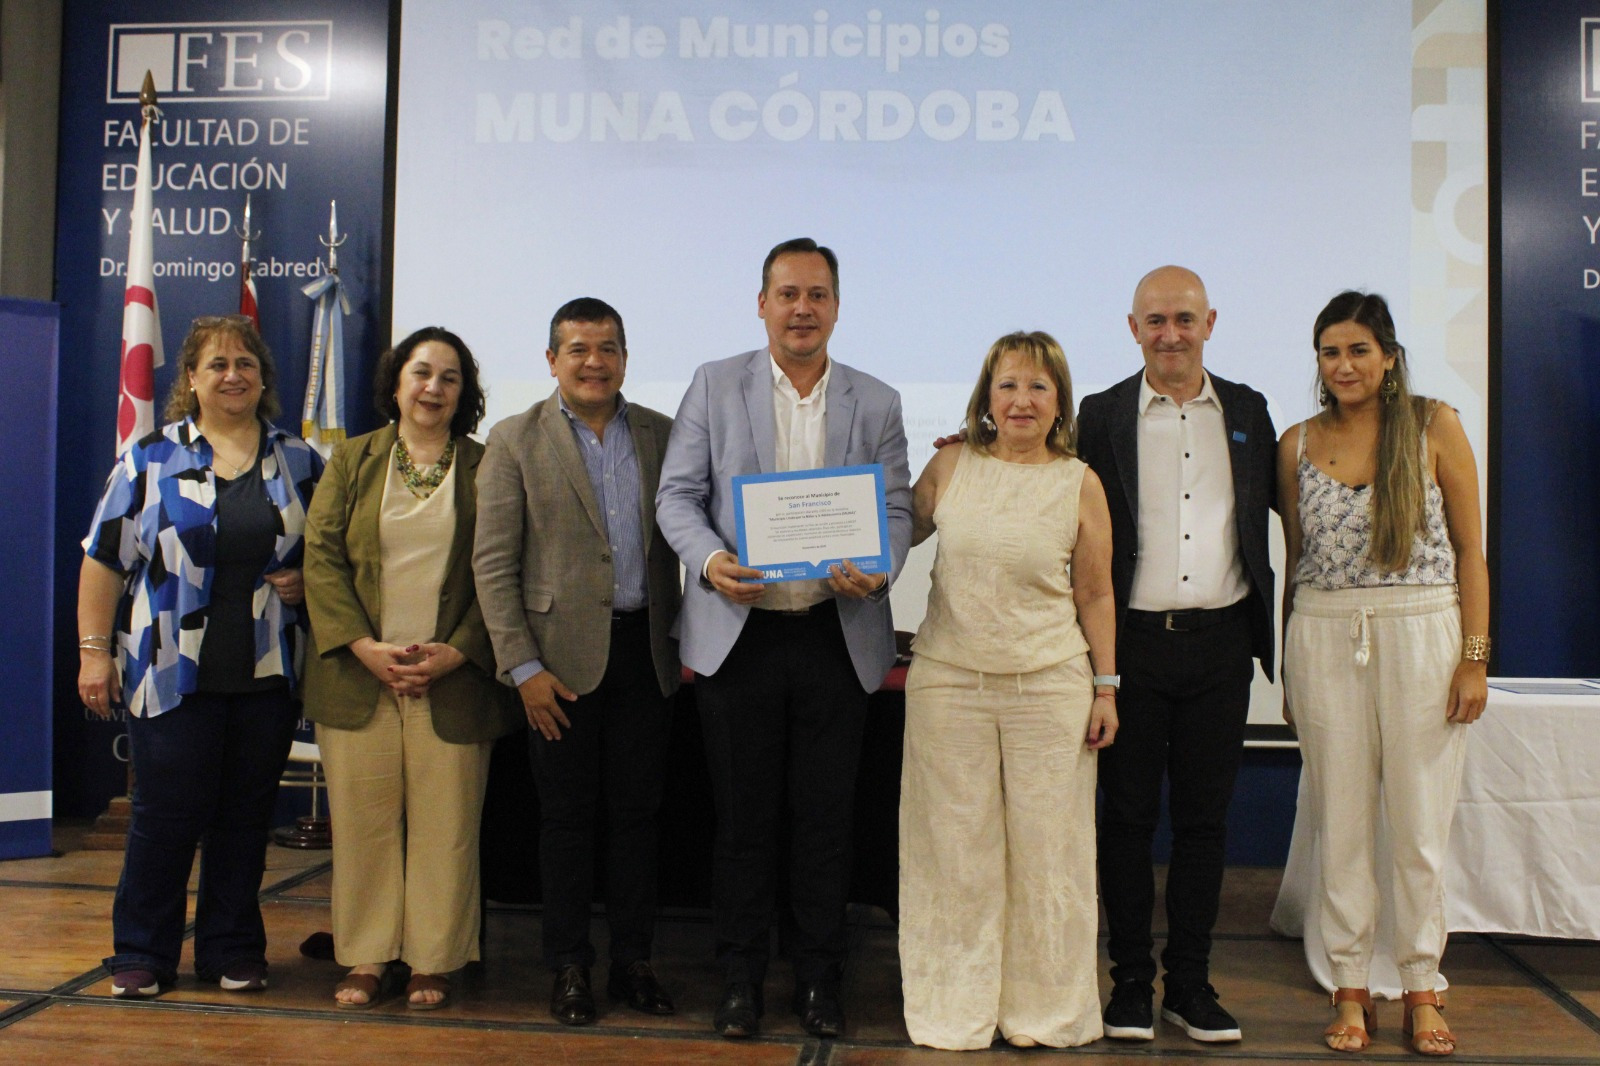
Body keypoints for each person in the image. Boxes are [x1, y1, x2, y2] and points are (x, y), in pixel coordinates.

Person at [655, 238, 912, 1040]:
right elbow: (676, 498)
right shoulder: (713, 384)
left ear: (837, 306)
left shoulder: (877, 399)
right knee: (742, 823)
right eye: (788, 294)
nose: (802, 309)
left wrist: (880, 570)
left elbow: (897, 511)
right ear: (761, 303)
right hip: (743, 639)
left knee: (825, 823)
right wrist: (712, 559)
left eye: (818, 295)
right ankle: (739, 982)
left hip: (837, 640)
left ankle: (820, 983)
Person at [77, 315, 322, 998]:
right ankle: (142, 952)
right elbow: (102, 562)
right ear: (190, 378)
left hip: (265, 673)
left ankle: (232, 949)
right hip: (168, 672)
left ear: (264, 378)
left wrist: (310, 583)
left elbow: (334, 561)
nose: (233, 375)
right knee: (164, 817)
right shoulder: (149, 458)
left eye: (246, 363)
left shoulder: (299, 462)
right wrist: (93, 654)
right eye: (216, 364)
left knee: (245, 820)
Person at [1279, 292, 1487, 1057]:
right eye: (1330, 352)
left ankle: (1423, 985)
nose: (1344, 366)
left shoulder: (1435, 425)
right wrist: (1291, 676)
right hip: (1325, 631)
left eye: (1359, 350)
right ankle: (1350, 985)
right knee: (1341, 822)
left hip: (1422, 630)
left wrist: (1473, 659)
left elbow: (1471, 552)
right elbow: (1295, 566)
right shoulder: (1296, 441)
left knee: (1420, 824)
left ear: (1390, 356)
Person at [899, 331, 1117, 1050]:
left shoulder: (1078, 480)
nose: (1022, 400)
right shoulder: (950, 464)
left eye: (1038, 387)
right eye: (1008, 386)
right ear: (986, 399)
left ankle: (1045, 1014)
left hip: (1048, 686)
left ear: (1060, 401)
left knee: (1050, 853)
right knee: (951, 852)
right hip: (948, 683)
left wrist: (1106, 688)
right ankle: (953, 1011)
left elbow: (1094, 593)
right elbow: (889, 535)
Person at [1077, 266, 1277, 1043]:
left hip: (1222, 644)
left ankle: (1189, 985)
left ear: (1210, 322)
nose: (1170, 334)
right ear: (1133, 329)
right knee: (1125, 821)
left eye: (1184, 319)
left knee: (1203, 824)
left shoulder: (1250, 411)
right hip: (1129, 649)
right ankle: (1129, 983)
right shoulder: (1098, 415)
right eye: (1155, 320)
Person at [473, 298, 682, 1026]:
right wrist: (522, 670)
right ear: (552, 358)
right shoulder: (513, 440)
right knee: (564, 821)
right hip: (556, 667)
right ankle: (569, 967)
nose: (595, 361)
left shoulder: (662, 434)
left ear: (625, 357)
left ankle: (633, 961)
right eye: (579, 349)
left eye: (609, 348)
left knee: (638, 819)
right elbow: (493, 567)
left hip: (647, 655)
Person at [301, 326, 521, 1011]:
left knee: (445, 828)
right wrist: (364, 648)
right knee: (365, 825)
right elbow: (322, 558)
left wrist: (460, 650)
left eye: (449, 377)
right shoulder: (352, 461)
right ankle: (367, 956)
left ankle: (433, 959)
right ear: (396, 384)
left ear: (465, 393)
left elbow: (506, 570)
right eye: (421, 373)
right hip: (360, 674)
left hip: (451, 675)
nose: (434, 387)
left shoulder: (490, 466)